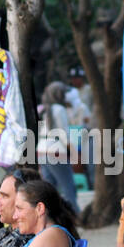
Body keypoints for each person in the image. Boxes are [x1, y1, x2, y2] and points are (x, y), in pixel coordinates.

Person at [38, 82, 80, 212]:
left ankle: (52, 218)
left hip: (41, 150)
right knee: (69, 188)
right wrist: (74, 154)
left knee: (49, 190)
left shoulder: (42, 109)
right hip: (56, 151)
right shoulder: (59, 109)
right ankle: (75, 216)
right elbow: (64, 134)